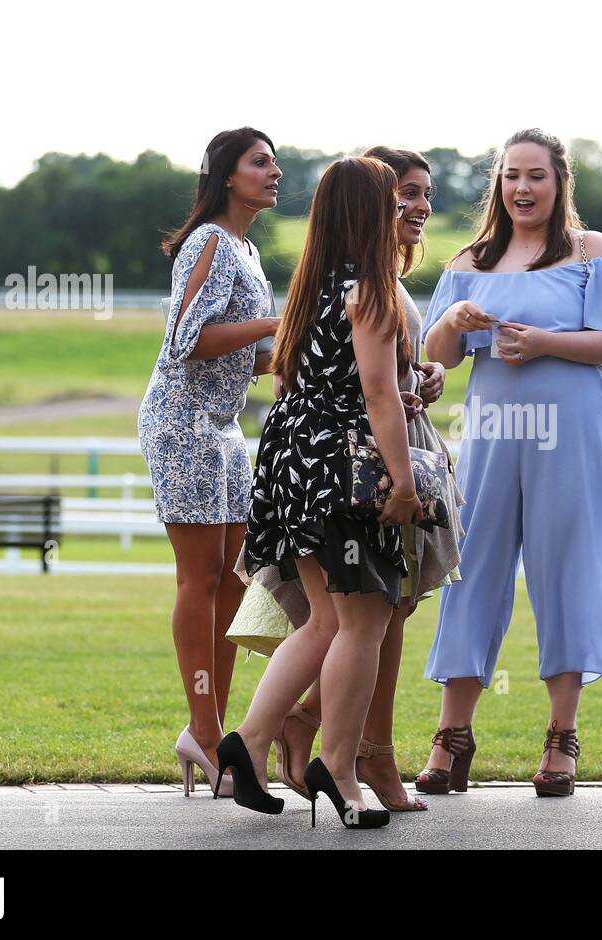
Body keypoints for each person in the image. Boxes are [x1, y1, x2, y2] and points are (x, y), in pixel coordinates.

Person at [417, 128, 602, 798]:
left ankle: (561, 738)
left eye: (536, 176)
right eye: (511, 176)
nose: (522, 188)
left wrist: (545, 342)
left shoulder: (592, 253)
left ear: (559, 183)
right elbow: (439, 356)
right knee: (472, 566)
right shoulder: (469, 258)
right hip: (490, 430)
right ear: (499, 183)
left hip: (572, 431)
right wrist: (454, 320)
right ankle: (451, 735)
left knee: (567, 568)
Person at [243, 147, 465, 813]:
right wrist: (403, 482)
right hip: (346, 467)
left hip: (294, 463)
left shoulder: (313, 287)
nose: (404, 209)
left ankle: (251, 741)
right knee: (363, 623)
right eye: (390, 200)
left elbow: (294, 380)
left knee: (321, 625)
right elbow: (377, 392)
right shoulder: (370, 289)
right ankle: (338, 765)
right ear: (371, 212)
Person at [138, 127, 281, 797]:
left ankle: (214, 731)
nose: (274, 172)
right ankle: (203, 727)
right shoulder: (211, 243)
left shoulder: (250, 251)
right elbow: (186, 341)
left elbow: (252, 357)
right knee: (199, 579)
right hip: (183, 421)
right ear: (228, 175)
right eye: (260, 162)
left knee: (232, 579)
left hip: (225, 425)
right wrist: (277, 326)